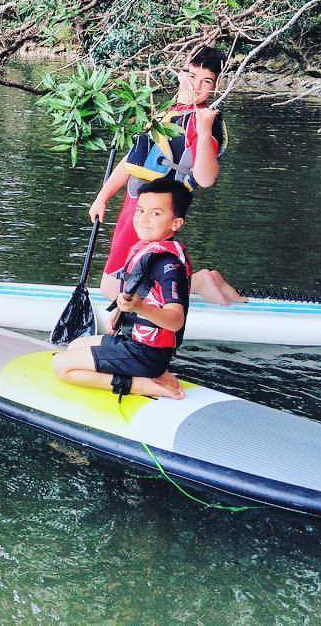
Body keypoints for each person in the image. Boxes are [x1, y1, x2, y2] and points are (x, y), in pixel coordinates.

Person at [89, 46, 244, 305]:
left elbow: (206, 178)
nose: (196, 86)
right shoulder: (170, 110)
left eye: (206, 82)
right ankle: (204, 282)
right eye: (192, 76)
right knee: (124, 278)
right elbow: (133, 160)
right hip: (136, 205)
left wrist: (205, 132)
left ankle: (196, 283)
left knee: (113, 286)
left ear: (216, 87)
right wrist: (103, 196)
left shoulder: (202, 119)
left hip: (156, 209)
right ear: (181, 73)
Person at [54, 178, 193, 399]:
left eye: (155, 213)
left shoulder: (169, 265)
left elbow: (176, 321)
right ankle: (157, 374)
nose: (143, 219)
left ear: (175, 223)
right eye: (140, 211)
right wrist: (120, 314)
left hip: (147, 354)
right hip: (134, 343)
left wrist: (138, 308)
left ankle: (139, 385)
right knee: (75, 346)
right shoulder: (146, 251)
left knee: (61, 366)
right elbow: (137, 293)